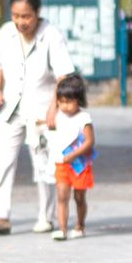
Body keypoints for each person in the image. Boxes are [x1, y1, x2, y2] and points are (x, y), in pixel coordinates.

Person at [0, 0, 74, 235]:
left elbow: (63, 76)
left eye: (26, 16)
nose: (20, 22)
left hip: (41, 109)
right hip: (10, 108)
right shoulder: (5, 33)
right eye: (15, 16)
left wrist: (54, 108)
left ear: (37, 14)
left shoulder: (51, 36)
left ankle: (46, 217)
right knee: (3, 161)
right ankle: (0, 216)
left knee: (42, 163)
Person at [46, 74, 95, 241]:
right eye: (61, 102)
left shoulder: (84, 118)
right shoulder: (57, 116)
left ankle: (79, 226)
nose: (64, 106)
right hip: (61, 164)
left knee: (79, 197)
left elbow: (89, 141)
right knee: (62, 196)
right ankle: (62, 229)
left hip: (79, 164)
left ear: (78, 100)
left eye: (68, 102)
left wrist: (74, 155)